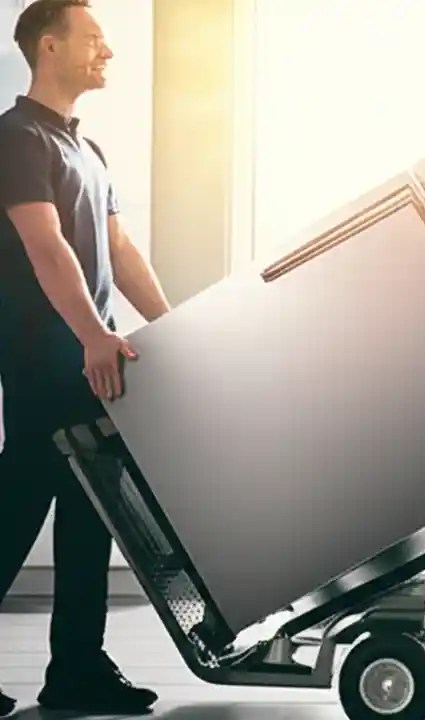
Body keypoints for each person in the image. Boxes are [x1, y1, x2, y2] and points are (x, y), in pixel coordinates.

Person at [0, 0, 169, 714]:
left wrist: (174, 325)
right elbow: (46, 246)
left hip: (89, 364)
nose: (108, 52)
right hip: (46, 361)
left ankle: (76, 669)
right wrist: (91, 334)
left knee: (86, 510)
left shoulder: (85, 149)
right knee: (17, 508)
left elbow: (120, 251)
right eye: (94, 39)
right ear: (48, 47)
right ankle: (76, 666)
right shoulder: (15, 139)